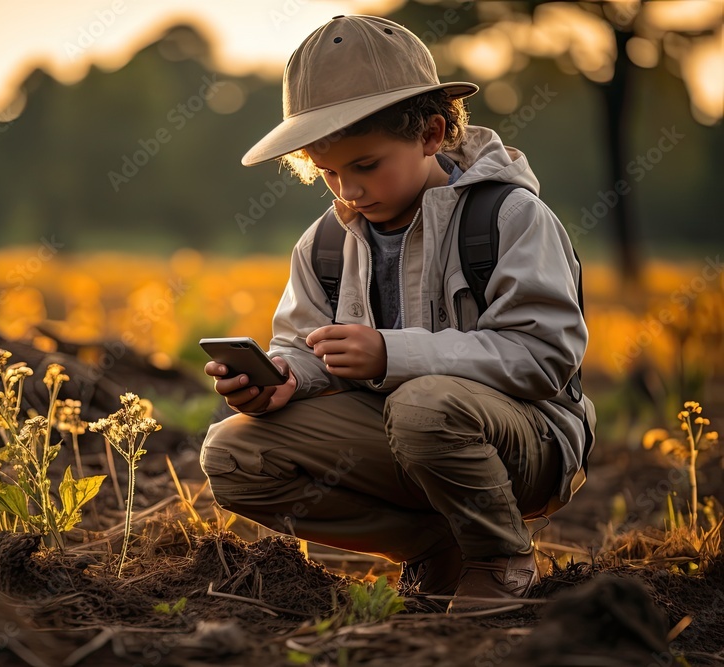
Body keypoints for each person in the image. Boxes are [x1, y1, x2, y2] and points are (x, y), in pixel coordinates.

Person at [199, 15, 595, 612]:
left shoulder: (509, 217)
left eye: (366, 165)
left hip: (526, 443)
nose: (348, 191)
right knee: (233, 455)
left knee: (424, 403)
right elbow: (305, 345)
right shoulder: (325, 244)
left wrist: (391, 353)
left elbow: (544, 358)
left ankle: (498, 556)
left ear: (432, 133)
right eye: (327, 172)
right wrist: (283, 379)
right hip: (399, 437)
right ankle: (436, 546)